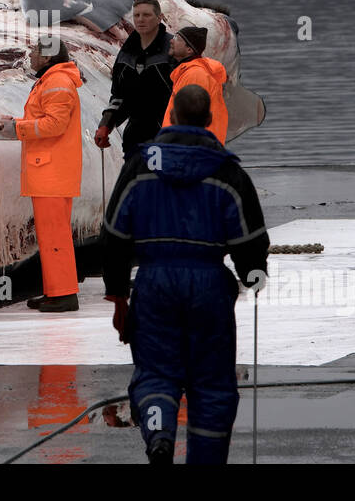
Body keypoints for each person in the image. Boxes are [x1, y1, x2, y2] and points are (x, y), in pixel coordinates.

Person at [102, 84, 269, 464]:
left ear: (172, 116)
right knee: (211, 384)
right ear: (209, 119)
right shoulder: (227, 171)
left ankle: (160, 433)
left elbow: (113, 233)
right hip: (208, 285)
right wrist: (252, 273)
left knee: (157, 373)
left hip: (155, 282)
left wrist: (117, 294)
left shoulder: (141, 165)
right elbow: (251, 237)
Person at [0, 37, 83, 312]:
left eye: (34, 52)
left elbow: (54, 125)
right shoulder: (50, 80)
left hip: (51, 171)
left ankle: (65, 294)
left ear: (48, 57)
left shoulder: (57, 83)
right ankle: (55, 291)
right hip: (48, 170)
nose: (29, 55)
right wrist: (15, 124)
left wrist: (16, 129)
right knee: (51, 235)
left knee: (55, 236)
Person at [95, 0, 175, 160]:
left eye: (147, 15)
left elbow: (185, 95)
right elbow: (118, 96)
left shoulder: (172, 48)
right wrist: (106, 125)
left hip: (166, 135)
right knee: (135, 183)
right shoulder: (126, 53)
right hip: (134, 136)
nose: (140, 20)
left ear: (159, 18)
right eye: (137, 15)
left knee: (155, 184)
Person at [162, 25, 229, 144]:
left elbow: (191, 119)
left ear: (189, 50)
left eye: (177, 38)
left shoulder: (195, 75)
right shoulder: (187, 72)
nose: (171, 40)